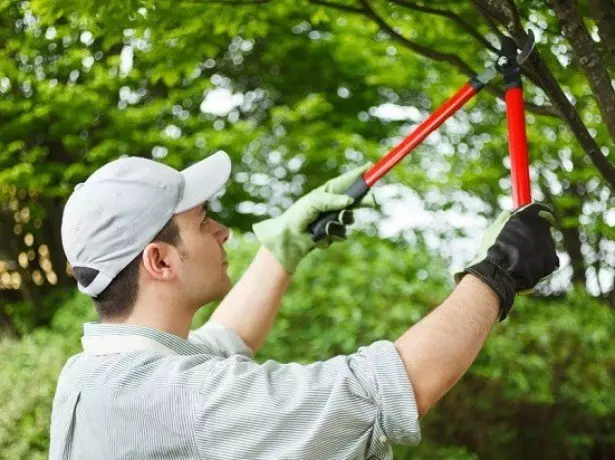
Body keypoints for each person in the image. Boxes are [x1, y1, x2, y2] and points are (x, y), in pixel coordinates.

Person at [50, 151, 559, 459]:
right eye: (204, 222)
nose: (222, 231)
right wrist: (498, 273)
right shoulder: (185, 400)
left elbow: (228, 342)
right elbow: (388, 392)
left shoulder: (93, 377)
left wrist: (285, 245)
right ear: (159, 262)